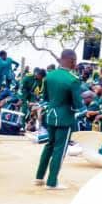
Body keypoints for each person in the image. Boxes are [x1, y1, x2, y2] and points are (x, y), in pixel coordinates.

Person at [33, 48, 84, 189]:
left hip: (51, 115)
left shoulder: (49, 76)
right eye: (75, 61)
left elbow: (46, 99)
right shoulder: (73, 80)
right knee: (59, 150)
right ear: (72, 61)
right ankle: (51, 181)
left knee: (49, 145)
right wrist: (83, 110)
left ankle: (39, 177)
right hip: (65, 118)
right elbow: (77, 104)